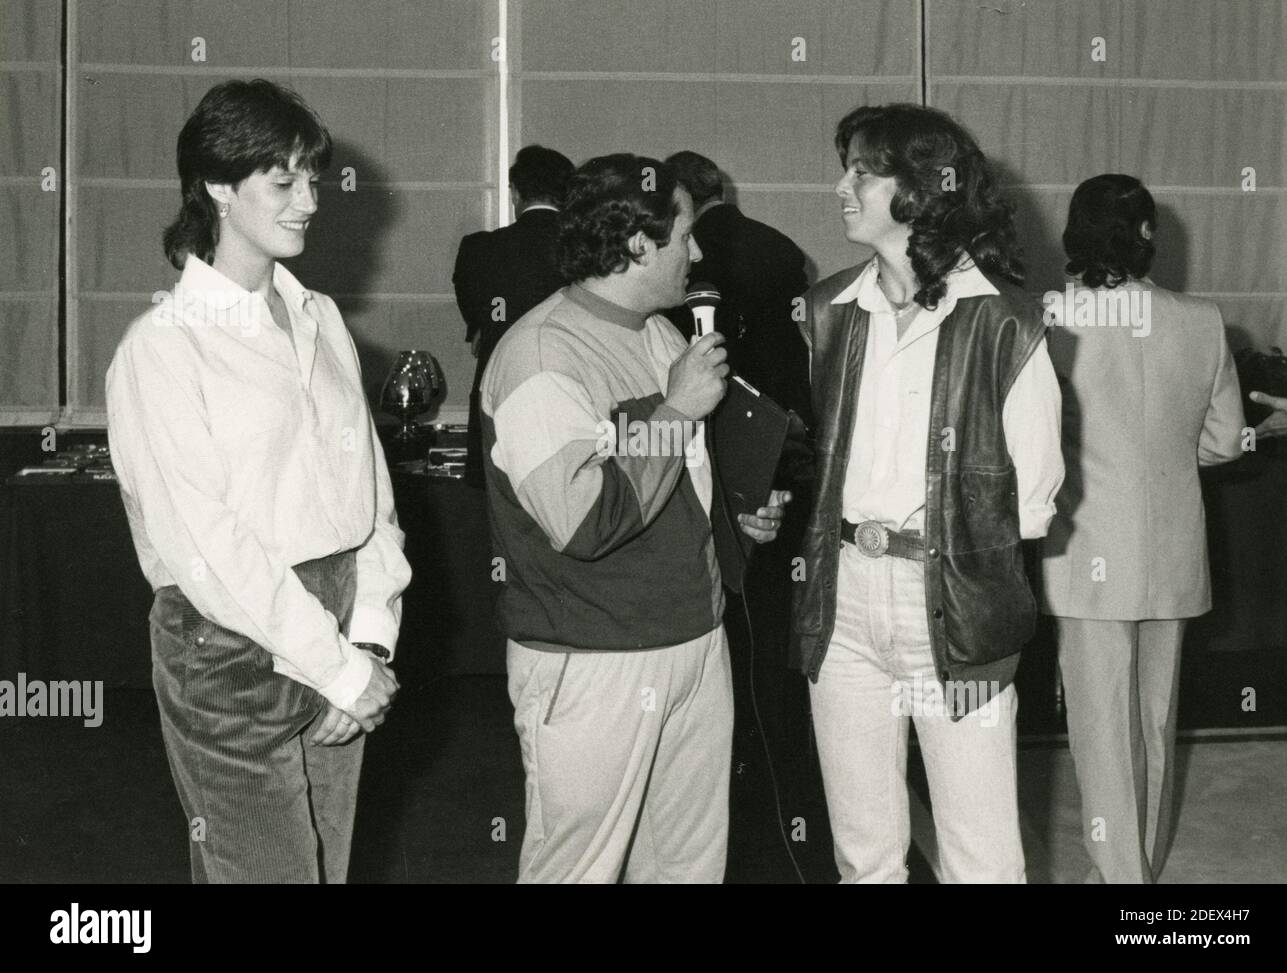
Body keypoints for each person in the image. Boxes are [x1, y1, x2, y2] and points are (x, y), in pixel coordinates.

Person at [106, 79, 410, 883]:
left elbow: (371, 500)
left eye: (312, 176)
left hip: (340, 624)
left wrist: (370, 640)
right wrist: (338, 667)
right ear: (216, 186)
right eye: (283, 180)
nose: (310, 198)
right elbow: (208, 550)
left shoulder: (320, 318)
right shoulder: (163, 349)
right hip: (230, 646)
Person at [479, 153, 790, 883]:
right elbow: (583, 520)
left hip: (692, 642)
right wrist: (676, 408)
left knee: (686, 868)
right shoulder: (540, 355)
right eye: (686, 237)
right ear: (638, 245)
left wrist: (732, 522)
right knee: (576, 870)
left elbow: (673, 480)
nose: (700, 252)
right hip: (593, 660)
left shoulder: (657, 333)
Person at [791, 103, 1064, 883]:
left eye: (863, 172)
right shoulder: (827, 310)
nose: (842, 186)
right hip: (841, 601)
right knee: (864, 852)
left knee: (979, 857)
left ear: (923, 190)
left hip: (955, 599)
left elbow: (1035, 496)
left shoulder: (1007, 322)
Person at [1039, 173, 1245, 883]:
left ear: (1074, 235)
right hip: (1173, 552)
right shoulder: (1203, 319)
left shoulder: (1052, 321)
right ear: (1150, 236)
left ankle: (1123, 881)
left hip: (1087, 550)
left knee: (1102, 728)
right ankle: (1135, 869)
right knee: (1156, 720)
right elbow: (1225, 440)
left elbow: (1030, 442)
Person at [453, 145, 573, 482]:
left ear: (515, 193)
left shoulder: (478, 250)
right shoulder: (585, 249)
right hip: (567, 395)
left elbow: (478, 310)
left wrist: (483, 326)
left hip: (499, 396)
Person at [664, 150, 811, 422]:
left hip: (720, 409)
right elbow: (798, 330)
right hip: (785, 406)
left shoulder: (685, 252)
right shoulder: (781, 244)